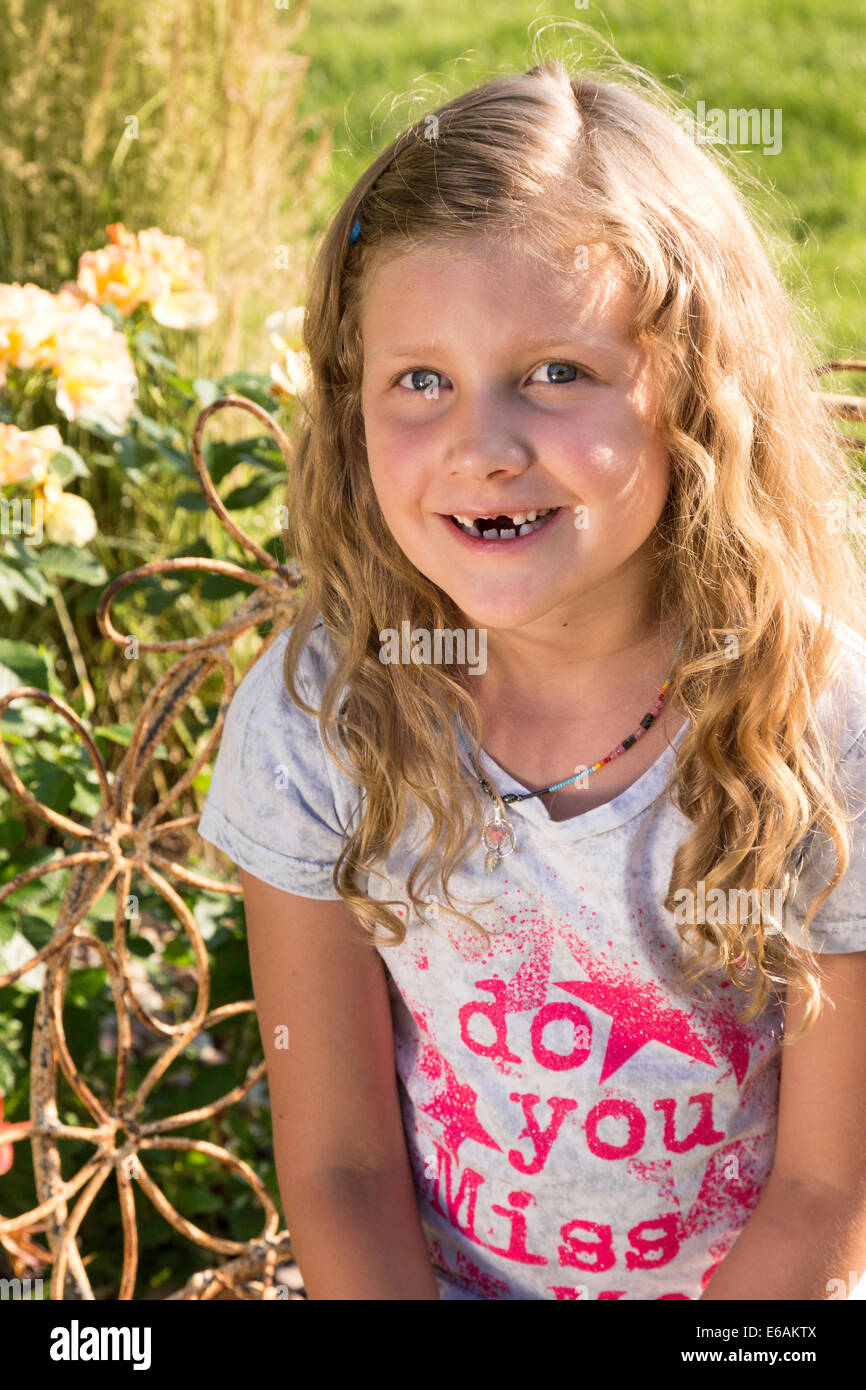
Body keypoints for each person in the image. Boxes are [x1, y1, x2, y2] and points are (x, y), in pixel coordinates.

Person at [197, 58, 866, 1300]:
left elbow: (829, 1196)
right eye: (420, 381)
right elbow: (341, 1165)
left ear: (696, 401)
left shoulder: (826, 732)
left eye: (557, 373)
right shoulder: (323, 720)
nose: (480, 446)